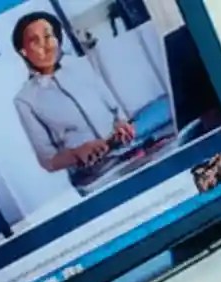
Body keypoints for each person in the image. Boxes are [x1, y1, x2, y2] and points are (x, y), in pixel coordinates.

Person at [11, 11, 136, 182]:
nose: (45, 46)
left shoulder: (80, 64)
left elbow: (115, 109)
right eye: (35, 41)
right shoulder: (25, 100)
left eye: (49, 36)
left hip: (130, 152)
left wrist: (123, 124)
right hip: (93, 176)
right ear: (23, 52)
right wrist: (76, 153)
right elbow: (48, 161)